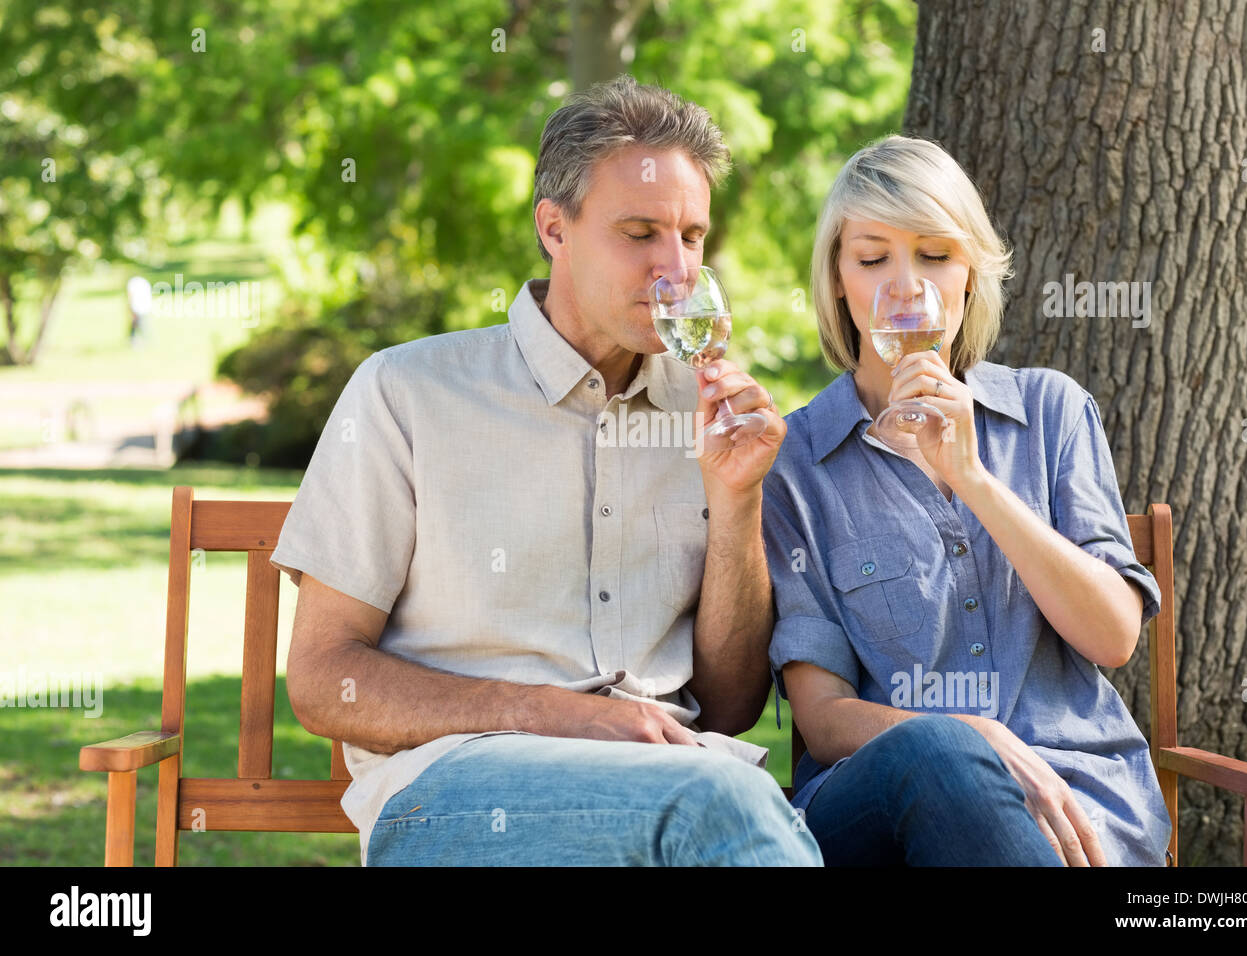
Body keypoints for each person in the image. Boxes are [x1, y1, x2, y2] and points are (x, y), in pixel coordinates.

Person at [269, 75, 821, 866]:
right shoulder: (408, 392)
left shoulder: (707, 416)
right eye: (640, 234)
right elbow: (324, 679)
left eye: (692, 237)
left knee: (736, 801)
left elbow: (728, 707)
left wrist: (737, 503)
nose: (677, 270)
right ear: (554, 228)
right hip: (457, 791)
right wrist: (550, 714)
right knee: (726, 805)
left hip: (672, 784)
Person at [762, 134, 1173, 866]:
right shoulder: (794, 461)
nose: (904, 286)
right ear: (836, 281)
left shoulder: (1051, 412)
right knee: (942, 755)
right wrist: (971, 739)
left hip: (1081, 799)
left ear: (970, 276)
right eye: (872, 257)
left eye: (934, 255)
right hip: (891, 800)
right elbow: (823, 722)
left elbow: (1113, 638)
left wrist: (974, 480)